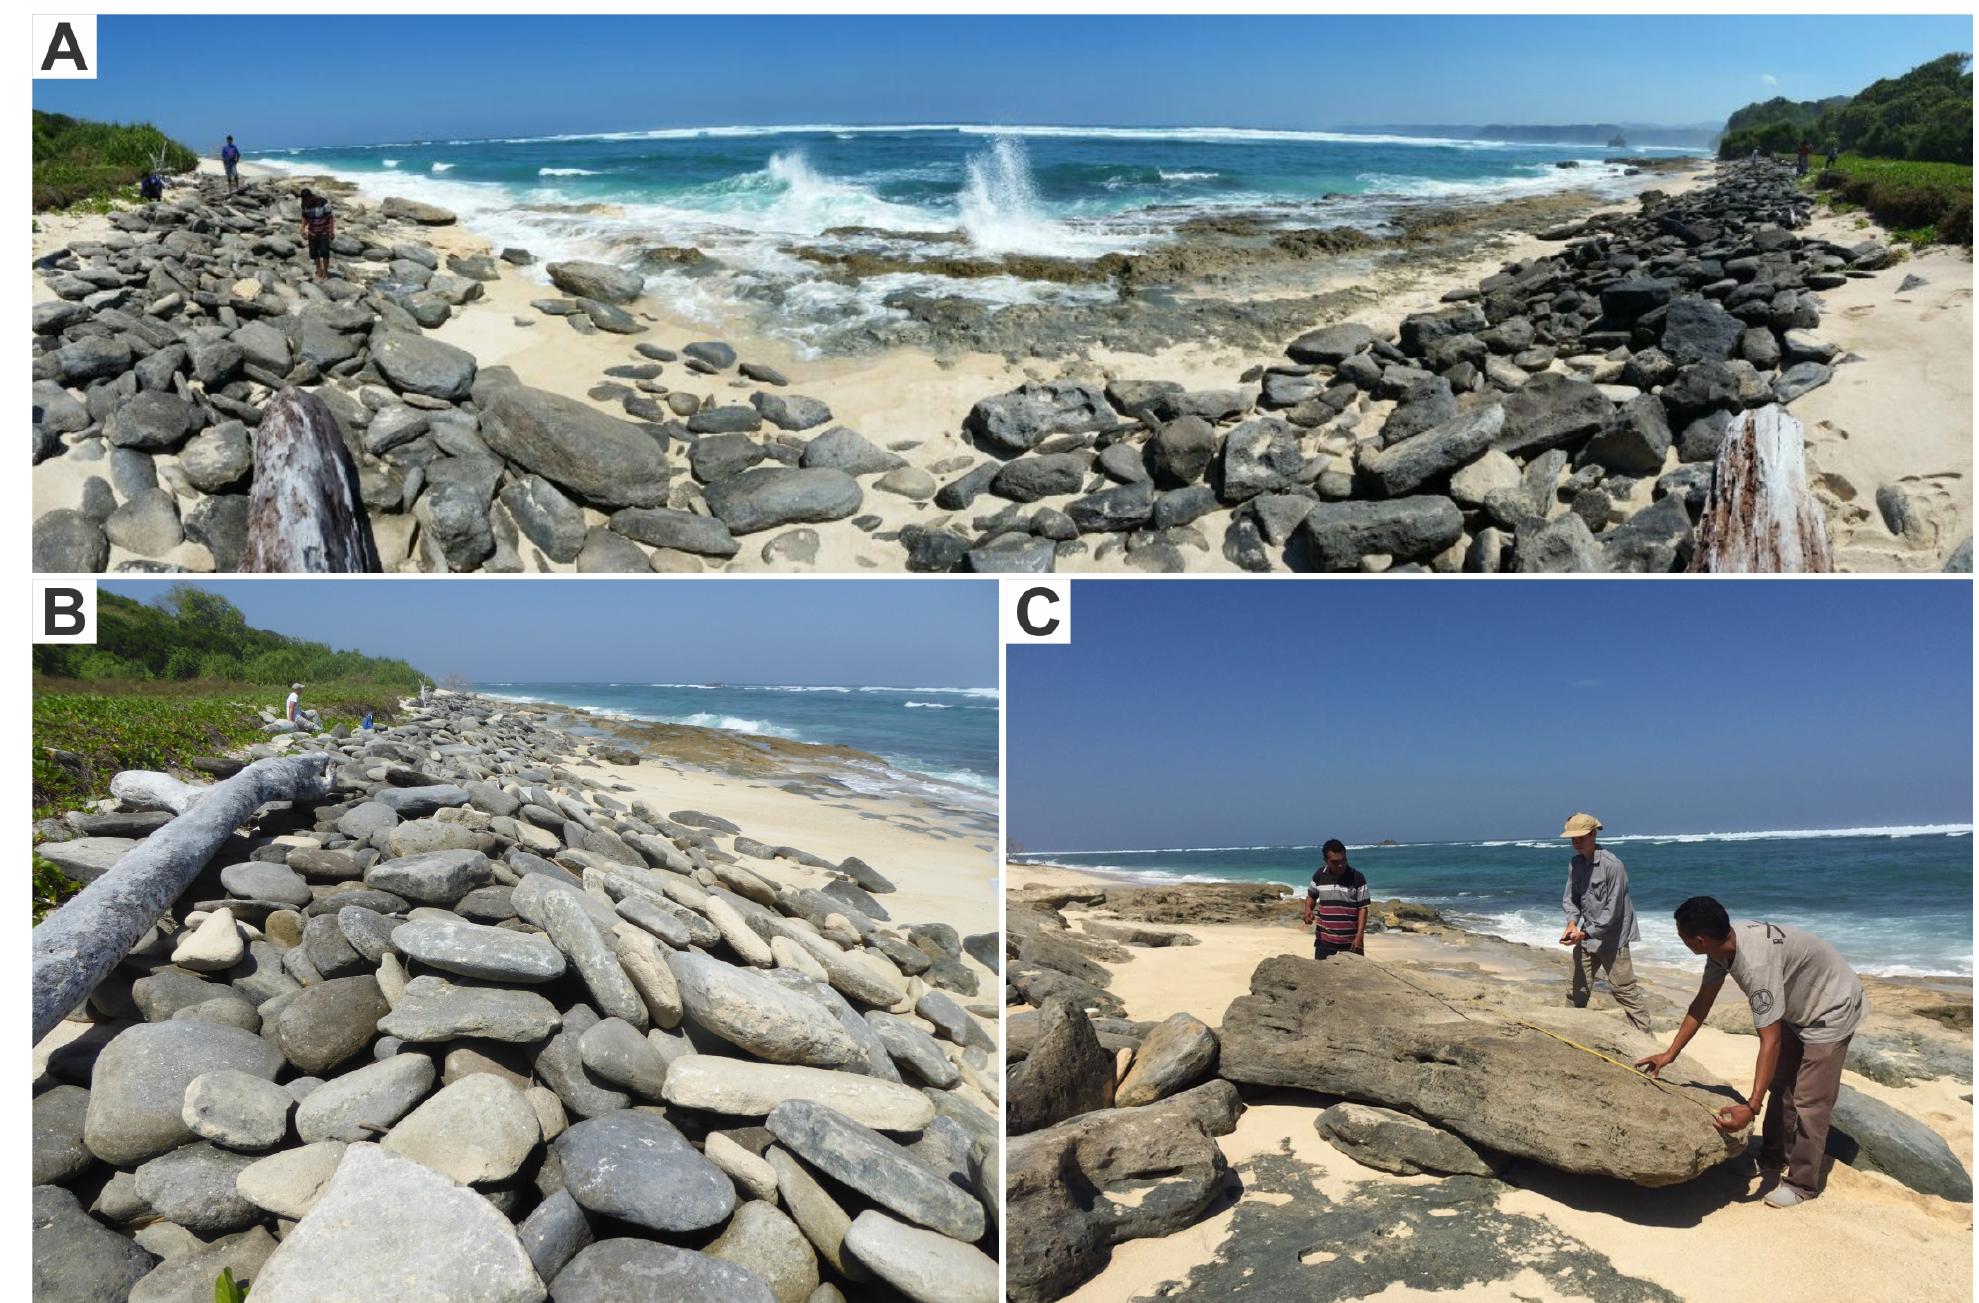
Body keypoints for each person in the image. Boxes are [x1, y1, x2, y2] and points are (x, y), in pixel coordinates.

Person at [1635, 897, 1865, 1209]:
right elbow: (1702, 1003)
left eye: (1682, 937)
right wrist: (1669, 1054)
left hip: (1831, 1008)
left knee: (1810, 1101)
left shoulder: (1755, 966)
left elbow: (1769, 1042)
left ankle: (1802, 1183)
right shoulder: (1723, 947)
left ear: (1699, 940)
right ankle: (1773, 1156)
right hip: (1799, 1004)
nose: (1681, 940)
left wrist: (1751, 1107)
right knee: (1781, 1083)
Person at [1559, 813, 1652, 1033]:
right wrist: (1572, 923)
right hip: (1586, 936)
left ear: (1592, 834)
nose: (1575, 842)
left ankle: (1645, 1040)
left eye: (1580, 837)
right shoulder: (1575, 863)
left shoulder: (1613, 865)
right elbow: (1571, 898)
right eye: (1572, 838)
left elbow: (1613, 911)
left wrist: (1586, 933)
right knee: (1576, 988)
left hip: (1613, 939)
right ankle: (1571, 1032)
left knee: (1624, 991)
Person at [1301, 838, 1369, 959]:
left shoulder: (1357, 877)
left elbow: (1363, 908)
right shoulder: (1319, 875)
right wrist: (1307, 910)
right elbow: (1311, 896)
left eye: (1343, 860)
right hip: (1324, 941)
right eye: (1335, 862)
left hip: (1351, 942)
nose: (1340, 865)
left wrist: (1359, 936)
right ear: (1326, 861)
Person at [299, 188, 335, 282]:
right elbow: (305, 217)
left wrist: (331, 231)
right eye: (304, 200)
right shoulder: (304, 204)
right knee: (314, 253)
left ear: (311, 197)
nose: (306, 202)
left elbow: (330, 217)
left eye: (307, 199)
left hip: (323, 231)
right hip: (312, 232)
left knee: (324, 252)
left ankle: (326, 271)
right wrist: (302, 229)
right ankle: (319, 269)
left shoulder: (322, 202)